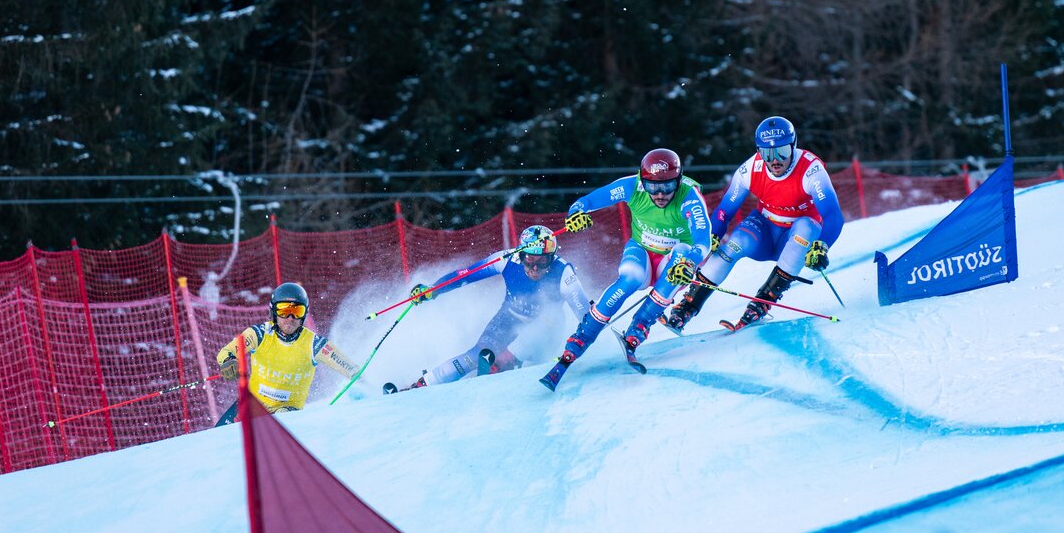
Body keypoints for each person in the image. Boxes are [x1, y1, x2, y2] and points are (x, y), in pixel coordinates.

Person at [541, 148, 712, 390]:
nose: (661, 194)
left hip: (672, 261)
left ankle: (639, 327)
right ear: (643, 182)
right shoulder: (632, 186)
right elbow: (587, 201)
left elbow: (703, 240)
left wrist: (691, 261)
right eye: (653, 187)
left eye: (667, 186)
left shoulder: (689, 196)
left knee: (682, 255)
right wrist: (576, 213)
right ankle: (581, 337)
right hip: (641, 251)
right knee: (630, 278)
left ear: (679, 180)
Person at [662, 116, 844, 333]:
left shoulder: (811, 170)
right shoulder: (750, 169)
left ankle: (762, 302)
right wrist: (713, 235)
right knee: (735, 242)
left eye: (782, 152)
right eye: (766, 153)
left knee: (806, 226)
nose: (774, 160)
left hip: (796, 236)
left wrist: (822, 245)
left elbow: (833, 215)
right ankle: (687, 307)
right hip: (765, 230)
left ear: (793, 147)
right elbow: (723, 211)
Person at [402, 225, 591, 389]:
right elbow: (466, 275)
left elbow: (585, 316)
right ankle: (425, 383)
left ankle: (505, 363)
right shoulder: (506, 259)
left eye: (543, 262)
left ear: (552, 257)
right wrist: (434, 289)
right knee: (474, 356)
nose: (535, 268)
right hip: (509, 318)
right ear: (521, 255)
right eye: (530, 260)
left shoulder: (564, 271)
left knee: (529, 339)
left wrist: (582, 339)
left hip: (547, 328)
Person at [213, 282, 360, 425]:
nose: (290, 318)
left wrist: (371, 387)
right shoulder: (259, 334)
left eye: (297, 311)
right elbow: (226, 352)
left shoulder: (314, 344)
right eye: (284, 310)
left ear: (304, 315)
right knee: (217, 441)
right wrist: (228, 360)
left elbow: (351, 370)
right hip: (251, 405)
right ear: (274, 311)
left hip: (286, 411)